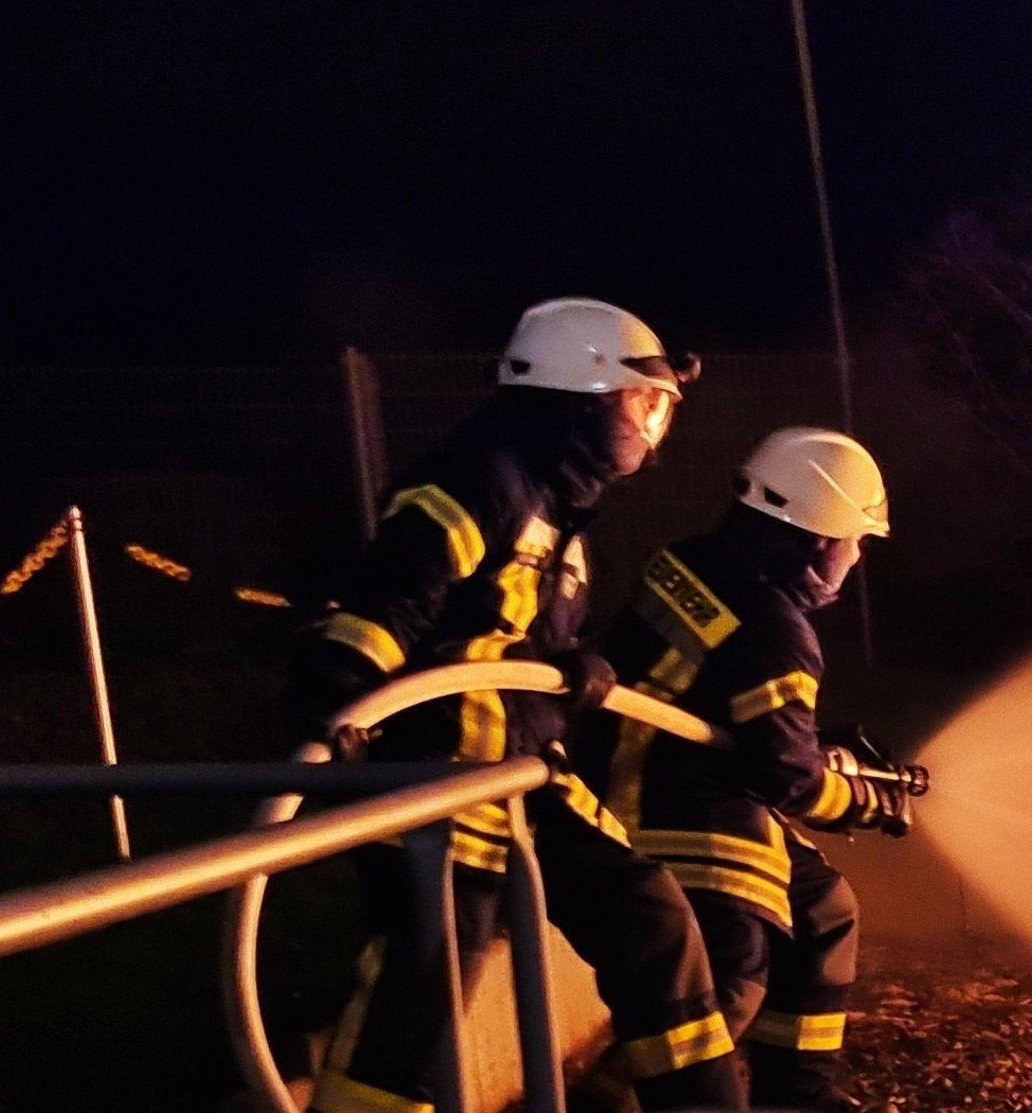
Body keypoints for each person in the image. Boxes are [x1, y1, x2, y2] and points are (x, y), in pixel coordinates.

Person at [284, 298, 742, 1112]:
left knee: (652, 924)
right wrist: (337, 706)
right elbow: (394, 601)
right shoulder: (478, 480)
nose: (652, 427)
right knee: (418, 996)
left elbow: (506, 641)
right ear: (581, 392)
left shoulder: (561, 517)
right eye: (644, 402)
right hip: (439, 783)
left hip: (526, 780)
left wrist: (567, 668)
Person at [571, 427, 906, 1113]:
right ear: (822, 536)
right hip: (671, 811)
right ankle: (609, 1100)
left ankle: (798, 1097)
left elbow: (720, 700)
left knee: (824, 909)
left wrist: (809, 746)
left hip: (666, 777)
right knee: (729, 979)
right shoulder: (776, 629)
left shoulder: (690, 562)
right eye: (858, 541)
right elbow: (787, 777)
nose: (857, 558)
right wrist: (865, 802)